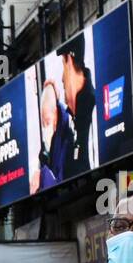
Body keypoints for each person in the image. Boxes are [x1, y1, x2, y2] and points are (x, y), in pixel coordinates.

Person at [58, 34, 98, 181]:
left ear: (68, 61)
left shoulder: (95, 111)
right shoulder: (71, 123)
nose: (62, 79)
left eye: (62, 66)